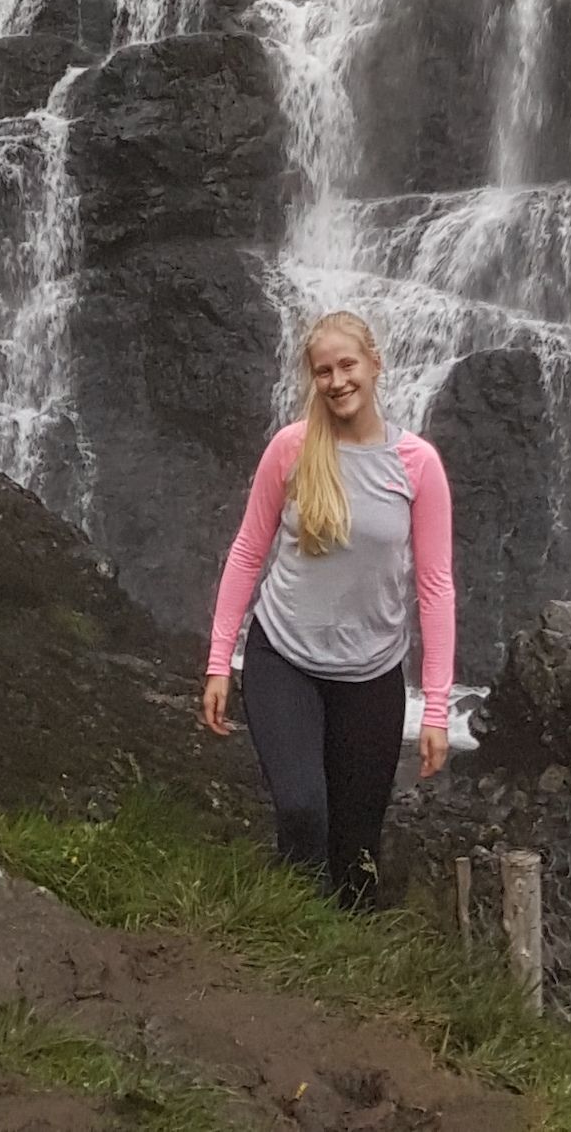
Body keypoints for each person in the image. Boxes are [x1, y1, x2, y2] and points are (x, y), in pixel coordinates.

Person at [202, 309, 454, 905]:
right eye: (324, 371)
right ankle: (287, 927)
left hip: (371, 675)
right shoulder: (291, 449)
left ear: (374, 365)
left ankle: (346, 962)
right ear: (312, 380)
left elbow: (437, 587)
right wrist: (219, 660)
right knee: (301, 809)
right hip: (283, 657)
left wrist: (437, 708)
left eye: (348, 365)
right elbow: (246, 552)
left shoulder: (418, 465)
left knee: (358, 848)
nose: (338, 381)